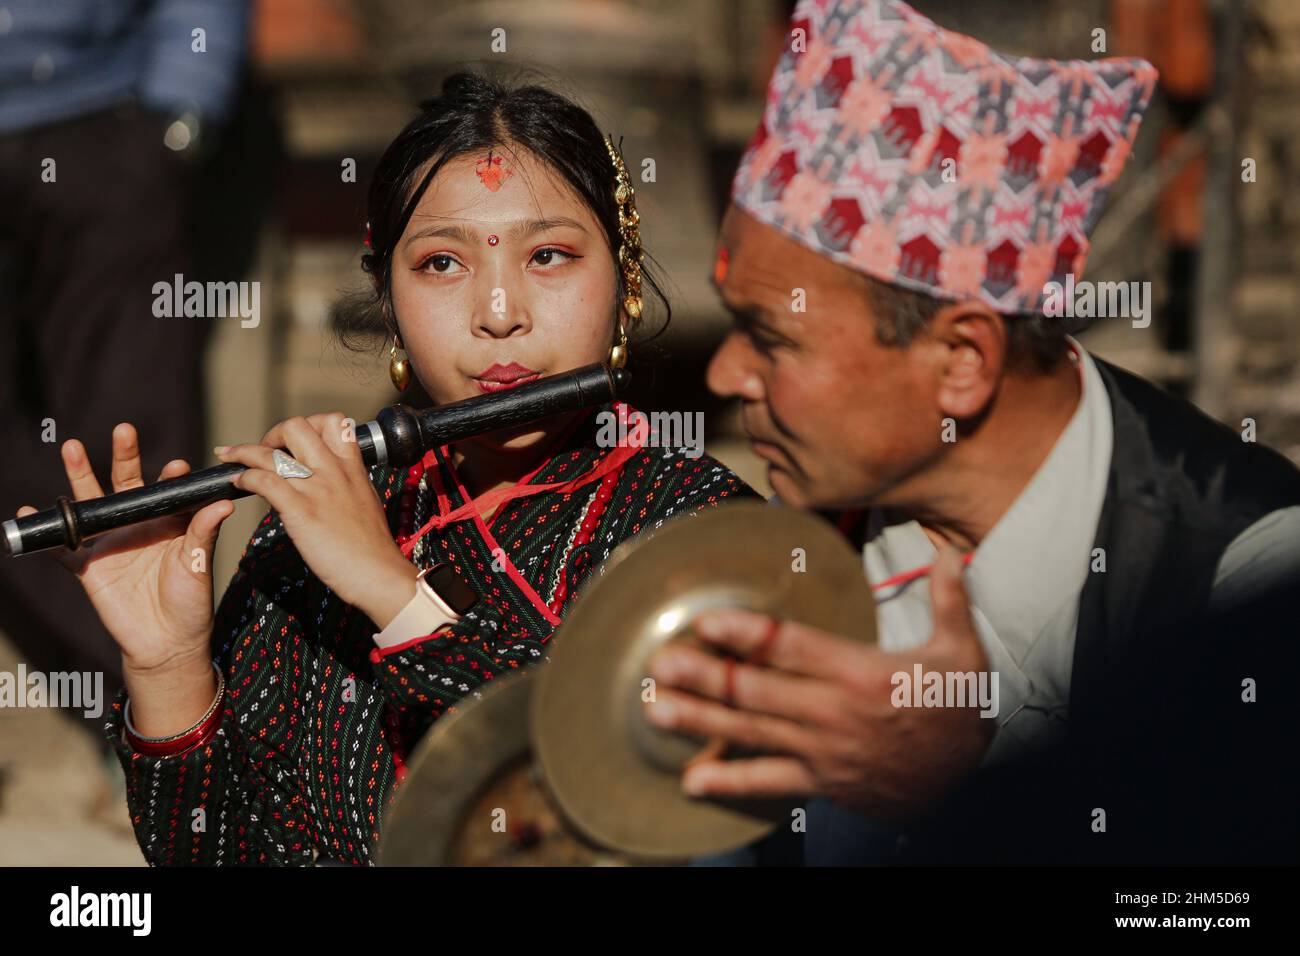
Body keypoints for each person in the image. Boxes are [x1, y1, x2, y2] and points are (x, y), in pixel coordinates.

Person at [18, 71, 756, 865]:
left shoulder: (703, 525)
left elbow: (626, 803)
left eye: (549, 256)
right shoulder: (309, 530)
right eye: (442, 264)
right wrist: (168, 671)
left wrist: (395, 594)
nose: (499, 312)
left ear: (625, 279)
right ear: (389, 300)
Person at [648, 0, 1300, 864]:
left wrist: (956, 799)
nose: (725, 376)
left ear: (962, 362)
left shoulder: (1247, 576)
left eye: (770, 336)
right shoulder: (795, 552)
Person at [0, 0, 251, 737]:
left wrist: (186, 105)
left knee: (132, 444)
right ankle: (125, 711)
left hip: (106, 125)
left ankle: (175, 721)